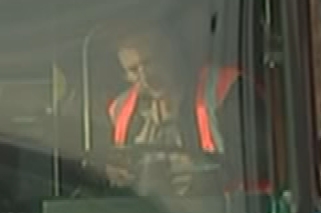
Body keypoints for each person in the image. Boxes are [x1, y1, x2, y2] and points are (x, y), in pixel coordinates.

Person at [104, 31, 242, 194]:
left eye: (149, 63)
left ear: (170, 56)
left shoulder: (225, 91)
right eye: (134, 70)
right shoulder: (121, 109)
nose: (146, 77)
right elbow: (113, 167)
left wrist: (202, 175)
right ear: (126, 76)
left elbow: (255, 165)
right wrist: (116, 172)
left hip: (222, 211)